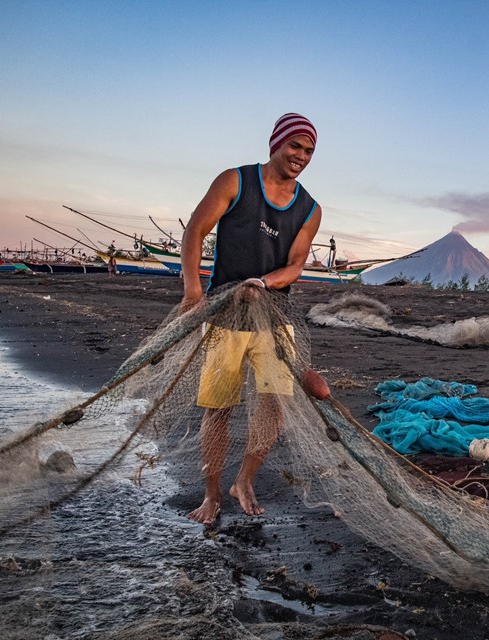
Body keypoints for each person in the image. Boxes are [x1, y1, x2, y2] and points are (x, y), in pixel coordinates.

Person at [180, 113, 321, 525]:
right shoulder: (235, 181)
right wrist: (193, 290)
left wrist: (264, 281)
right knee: (218, 408)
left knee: (274, 405)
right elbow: (195, 230)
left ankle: (244, 481)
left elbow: (295, 266)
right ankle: (211, 494)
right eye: (295, 146)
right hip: (225, 317)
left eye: (309, 150)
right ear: (276, 143)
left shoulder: (310, 209)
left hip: (275, 320)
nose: (301, 156)